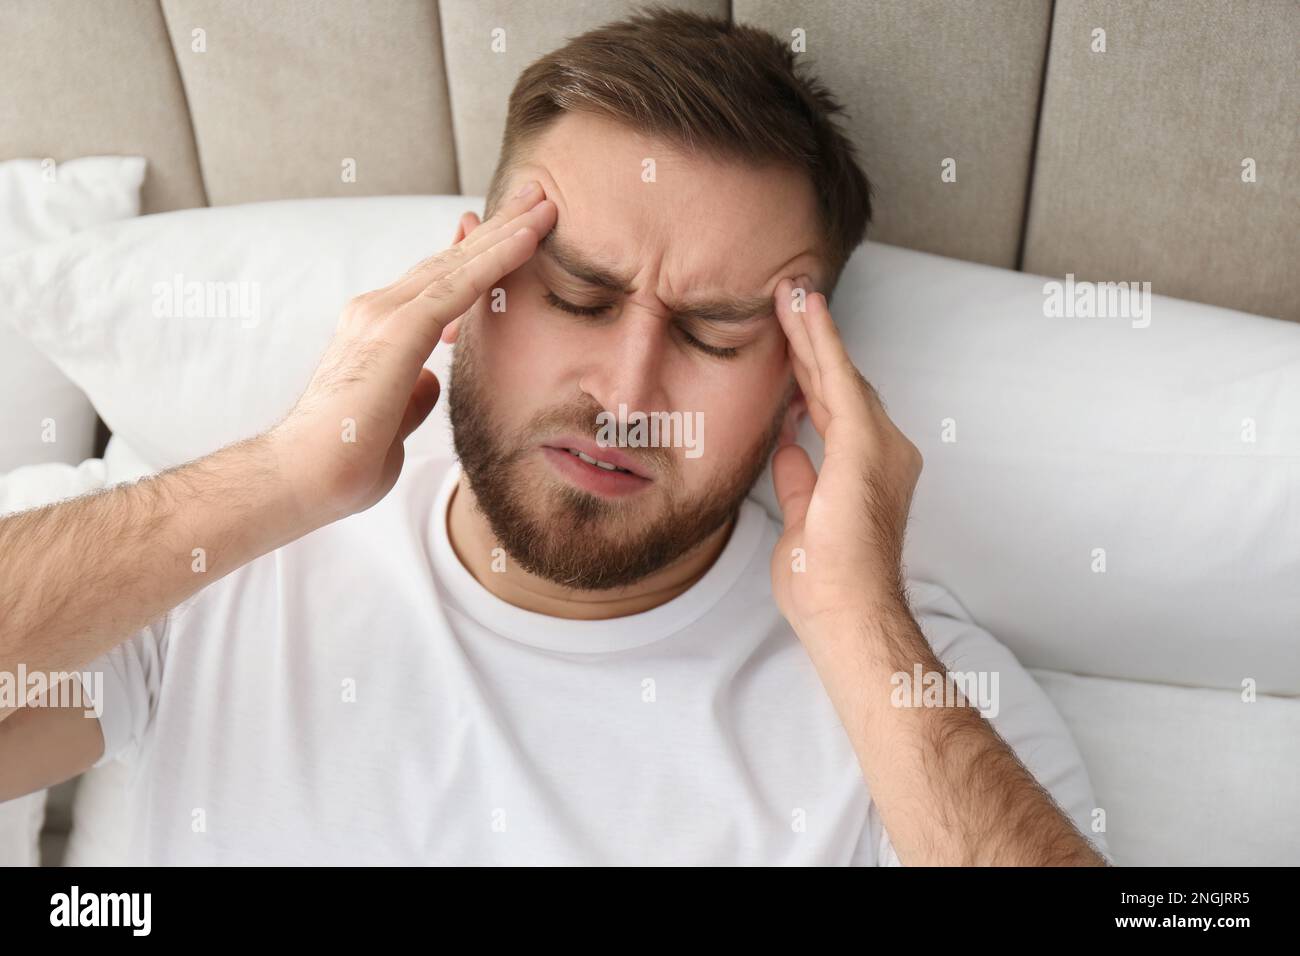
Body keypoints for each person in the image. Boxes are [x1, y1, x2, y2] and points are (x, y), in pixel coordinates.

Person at [0, 9, 1106, 865]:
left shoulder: (920, 692)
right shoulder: (212, 558)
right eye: (576, 295)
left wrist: (861, 625)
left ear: (800, 388)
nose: (624, 392)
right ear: (463, 284)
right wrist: (285, 476)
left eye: (716, 334)